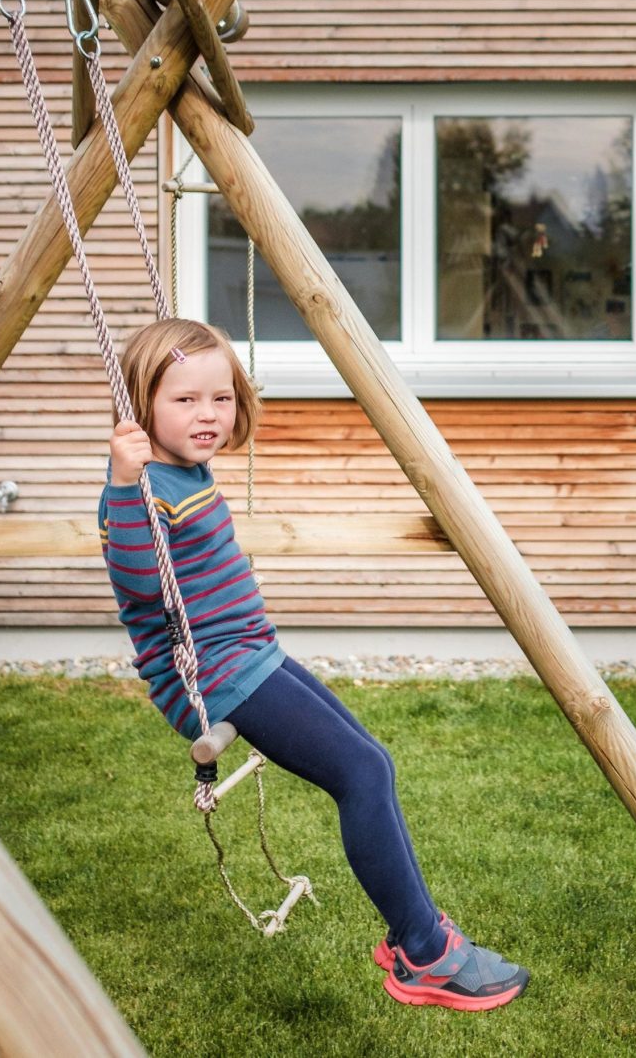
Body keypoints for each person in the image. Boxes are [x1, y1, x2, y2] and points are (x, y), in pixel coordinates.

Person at [100, 317, 528, 1012]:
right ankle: (424, 951)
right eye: (184, 400)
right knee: (359, 773)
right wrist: (122, 480)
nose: (207, 414)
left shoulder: (183, 467)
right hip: (212, 676)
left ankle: (411, 935)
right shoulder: (140, 491)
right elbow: (140, 583)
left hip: (249, 650)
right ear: (139, 408)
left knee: (373, 762)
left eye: (221, 397)